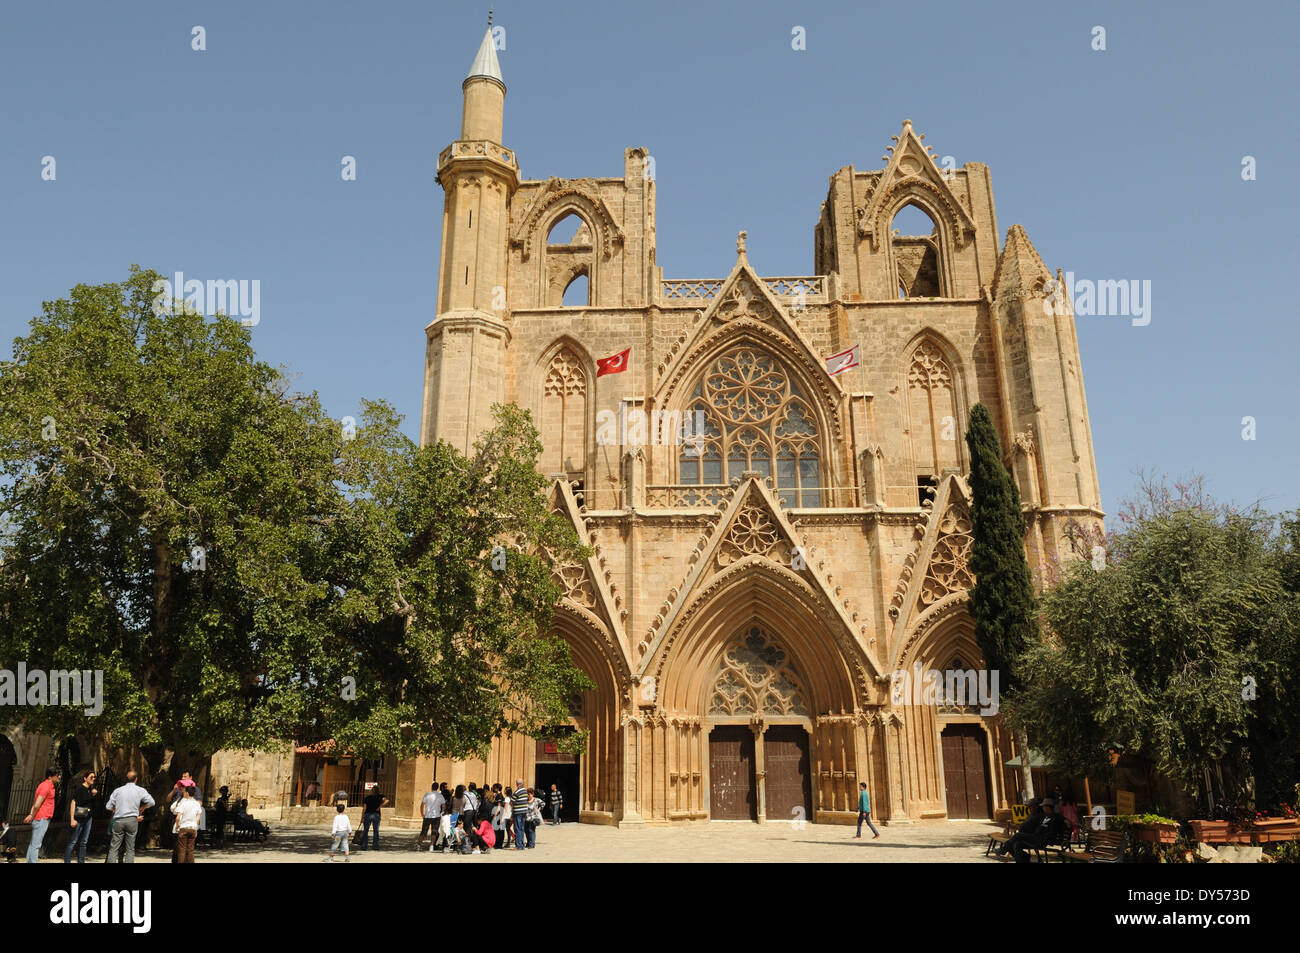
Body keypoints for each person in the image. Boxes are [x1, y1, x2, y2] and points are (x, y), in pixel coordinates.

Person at [105, 770, 155, 863]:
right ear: (136, 779)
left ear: (126, 779)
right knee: (130, 848)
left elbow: (108, 806)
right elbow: (152, 802)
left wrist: (116, 810)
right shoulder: (140, 790)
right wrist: (143, 807)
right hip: (132, 820)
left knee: (114, 848)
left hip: (118, 820)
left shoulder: (118, 790)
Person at [22, 767, 58, 863]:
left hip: (41, 817)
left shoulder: (47, 785)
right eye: (57, 775)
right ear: (50, 776)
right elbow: (37, 804)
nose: (59, 776)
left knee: (33, 843)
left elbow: (36, 803)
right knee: (36, 844)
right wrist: (31, 815)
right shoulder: (46, 786)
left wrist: (31, 814)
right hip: (42, 818)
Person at [64, 769, 98, 863]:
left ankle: (81, 861)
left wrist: (93, 795)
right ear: (85, 778)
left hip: (88, 818)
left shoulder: (89, 790)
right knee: (73, 841)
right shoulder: (80, 789)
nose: (93, 779)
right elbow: (73, 803)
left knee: (83, 842)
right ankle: (67, 861)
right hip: (79, 818)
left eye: (94, 777)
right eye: (91, 777)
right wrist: (72, 819)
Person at [171, 784, 202, 863]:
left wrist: (177, 825)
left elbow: (178, 817)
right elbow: (198, 818)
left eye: (184, 792)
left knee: (181, 850)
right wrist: (196, 827)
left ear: (187, 793)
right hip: (193, 828)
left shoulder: (183, 803)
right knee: (190, 850)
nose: (183, 794)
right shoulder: (197, 804)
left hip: (184, 827)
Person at [418, 782, 444, 851]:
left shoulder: (427, 795)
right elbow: (444, 806)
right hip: (436, 816)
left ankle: (419, 845)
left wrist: (422, 814)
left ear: (432, 787)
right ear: (437, 788)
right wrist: (440, 812)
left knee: (424, 831)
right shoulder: (440, 795)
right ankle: (431, 846)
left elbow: (422, 805)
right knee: (434, 831)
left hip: (427, 816)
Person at [511, 778, 529, 851]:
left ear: (517, 784)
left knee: (517, 828)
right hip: (524, 811)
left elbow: (512, 801)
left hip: (518, 812)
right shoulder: (525, 791)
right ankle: (521, 845)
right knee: (521, 828)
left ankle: (518, 845)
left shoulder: (517, 792)